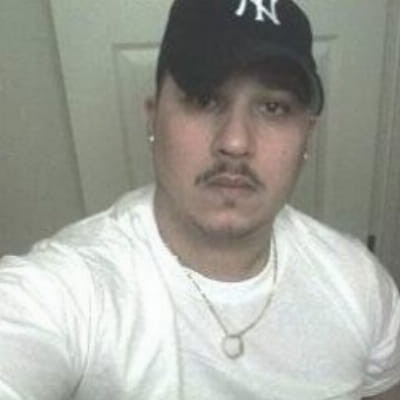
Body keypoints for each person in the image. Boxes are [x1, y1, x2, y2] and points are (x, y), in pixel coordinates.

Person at [0, 0, 399, 399]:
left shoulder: (361, 285)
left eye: (273, 107)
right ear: (153, 117)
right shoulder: (67, 291)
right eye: (204, 99)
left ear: (307, 137)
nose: (235, 142)